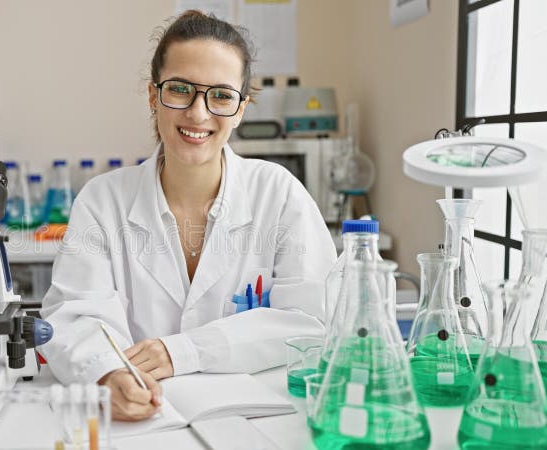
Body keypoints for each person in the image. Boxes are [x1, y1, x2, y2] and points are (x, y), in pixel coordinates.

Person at [38, 10, 336, 421]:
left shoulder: (279, 194)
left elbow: (311, 321)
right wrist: (107, 374)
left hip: (258, 422)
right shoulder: (103, 200)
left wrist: (182, 351)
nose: (198, 113)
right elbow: (75, 315)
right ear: (152, 95)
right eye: (180, 89)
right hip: (141, 426)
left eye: (221, 95)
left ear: (242, 108)